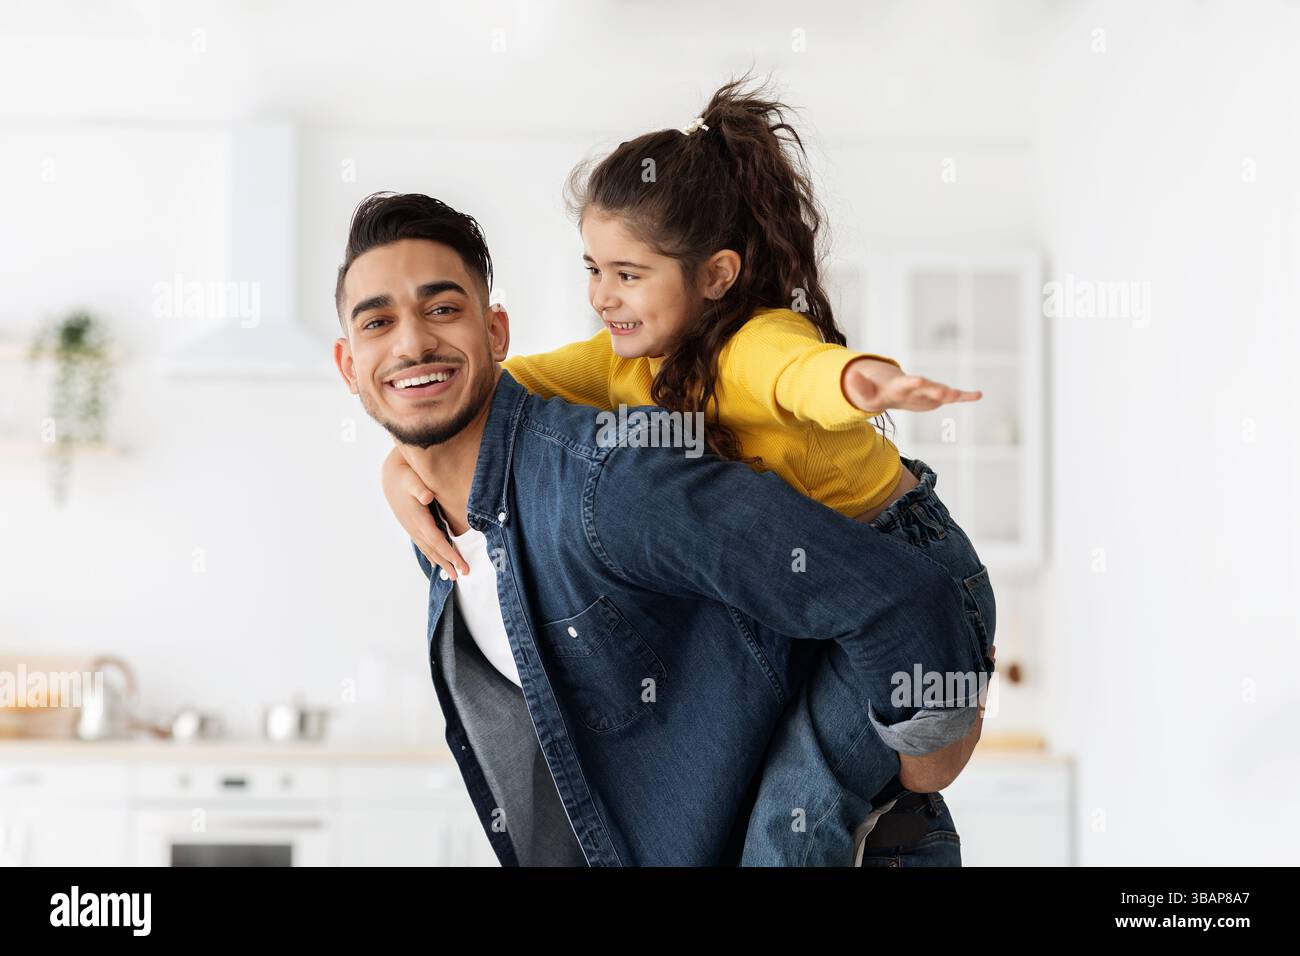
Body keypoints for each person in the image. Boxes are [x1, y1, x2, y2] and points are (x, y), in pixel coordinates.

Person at [379, 76, 996, 864]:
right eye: (593, 269)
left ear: (715, 276)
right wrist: (399, 460)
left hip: (909, 558)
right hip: (830, 596)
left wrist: (865, 381)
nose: (603, 296)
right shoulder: (620, 365)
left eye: (629, 274)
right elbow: (496, 388)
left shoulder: (751, 343)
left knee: (795, 815)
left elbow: (802, 373)